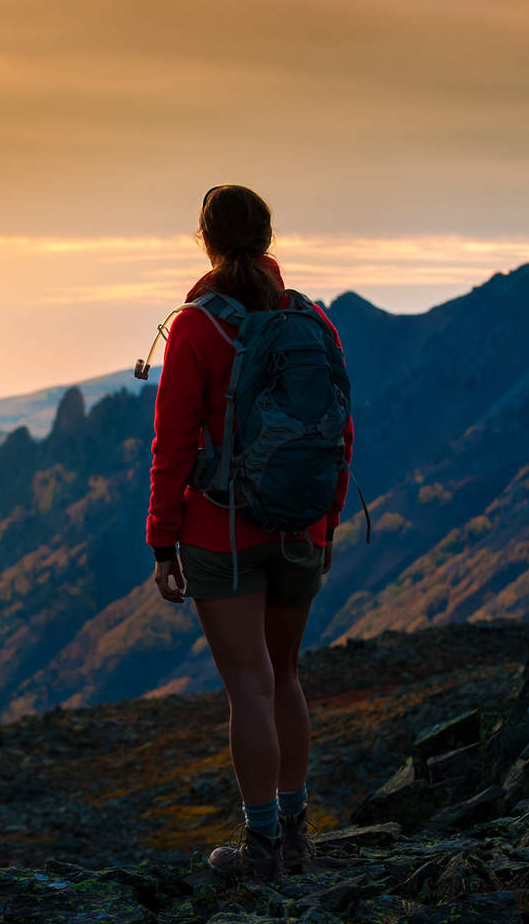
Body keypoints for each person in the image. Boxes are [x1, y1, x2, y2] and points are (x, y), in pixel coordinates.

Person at [145, 184, 354, 882]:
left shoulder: (198, 327)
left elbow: (172, 446)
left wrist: (162, 542)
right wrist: (322, 527)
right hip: (300, 526)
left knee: (250, 688)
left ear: (205, 241)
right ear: (269, 239)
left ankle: (260, 847)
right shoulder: (312, 320)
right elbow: (340, 433)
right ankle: (297, 838)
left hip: (220, 534)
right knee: (286, 675)